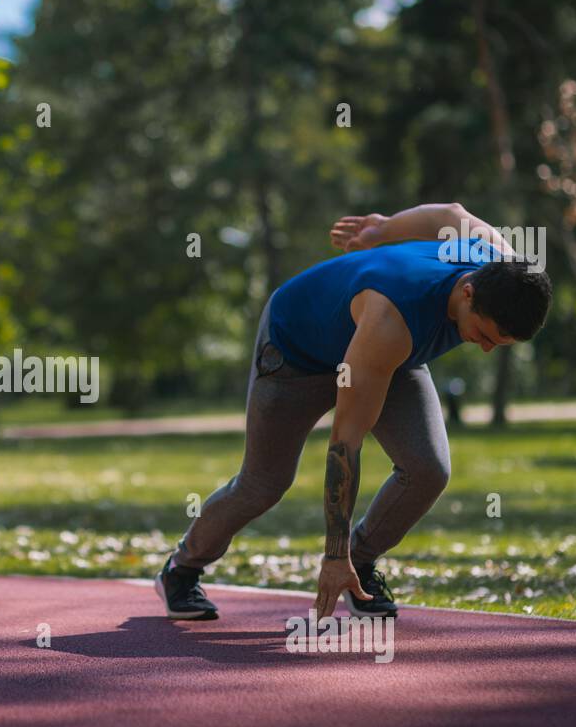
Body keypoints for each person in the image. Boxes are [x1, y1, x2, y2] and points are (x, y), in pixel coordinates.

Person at [153, 203, 552, 621]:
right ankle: (182, 569)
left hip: (389, 357)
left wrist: (383, 228)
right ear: (467, 292)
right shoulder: (391, 319)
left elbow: (450, 214)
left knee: (428, 468)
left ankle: (361, 565)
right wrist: (331, 554)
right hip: (296, 355)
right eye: (484, 335)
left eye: (498, 345)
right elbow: (345, 443)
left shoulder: (500, 263)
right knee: (263, 484)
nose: (486, 348)